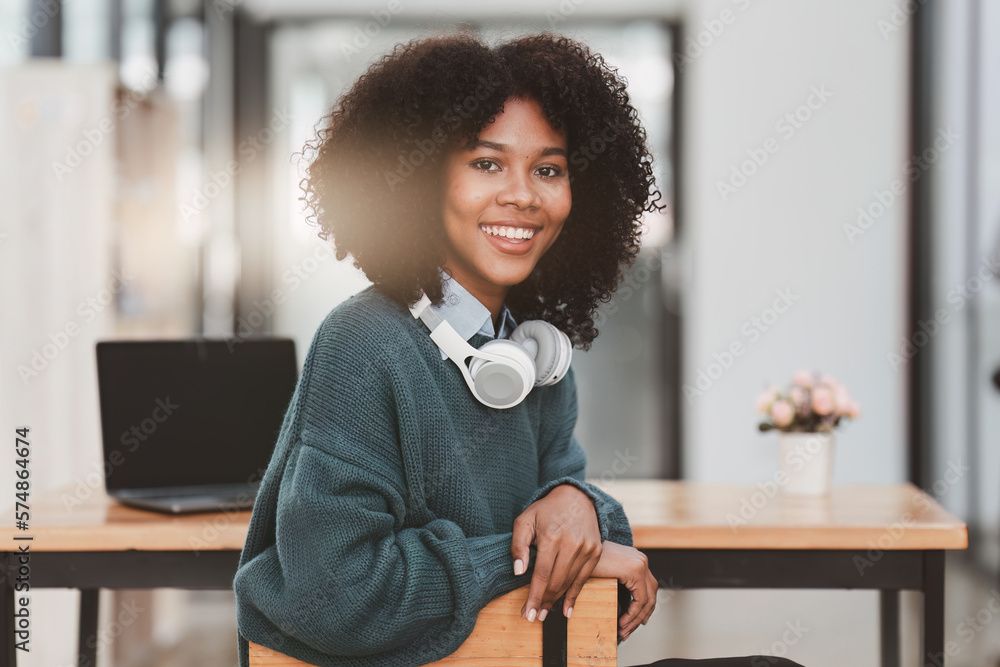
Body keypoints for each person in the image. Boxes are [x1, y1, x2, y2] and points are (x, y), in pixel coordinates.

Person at [232, 31, 806, 667]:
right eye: (486, 164)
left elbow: (580, 535)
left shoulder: (533, 352)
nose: (523, 196)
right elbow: (335, 594)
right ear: (423, 181)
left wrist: (577, 501)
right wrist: (522, 553)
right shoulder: (363, 344)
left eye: (549, 169)